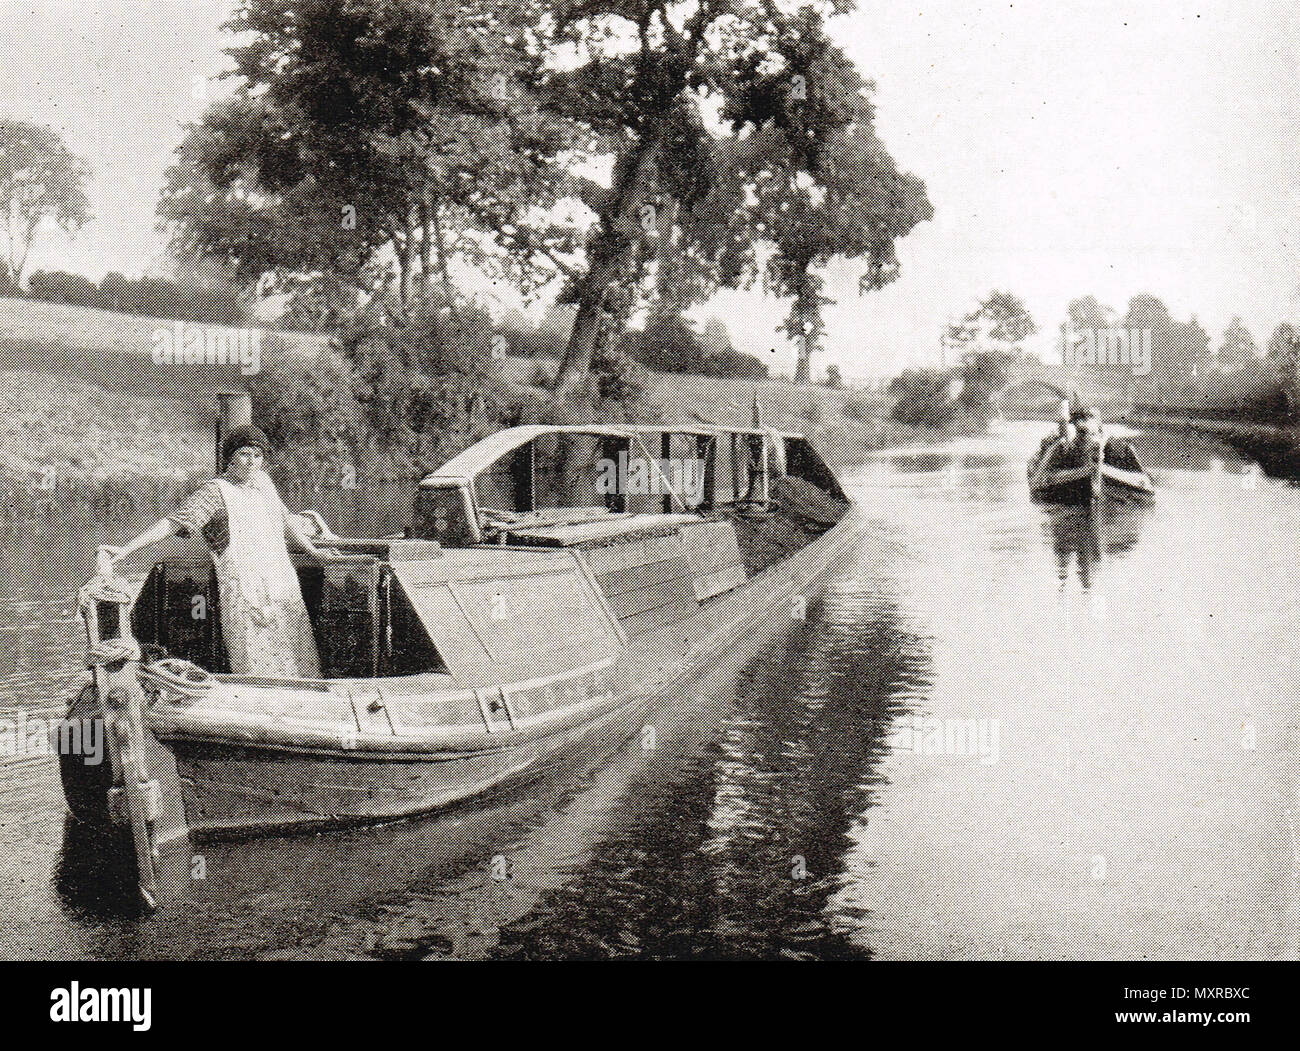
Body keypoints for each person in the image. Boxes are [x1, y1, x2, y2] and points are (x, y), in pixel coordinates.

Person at [97, 425, 339, 678]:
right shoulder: (214, 492)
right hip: (244, 593)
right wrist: (126, 549)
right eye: (245, 454)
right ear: (230, 457)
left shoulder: (264, 484)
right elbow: (174, 522)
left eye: (258, 456)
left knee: (300, 659)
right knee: (255, 664)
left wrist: (314, 551)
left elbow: (286, 520)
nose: (252, 463)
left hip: (281, 585)